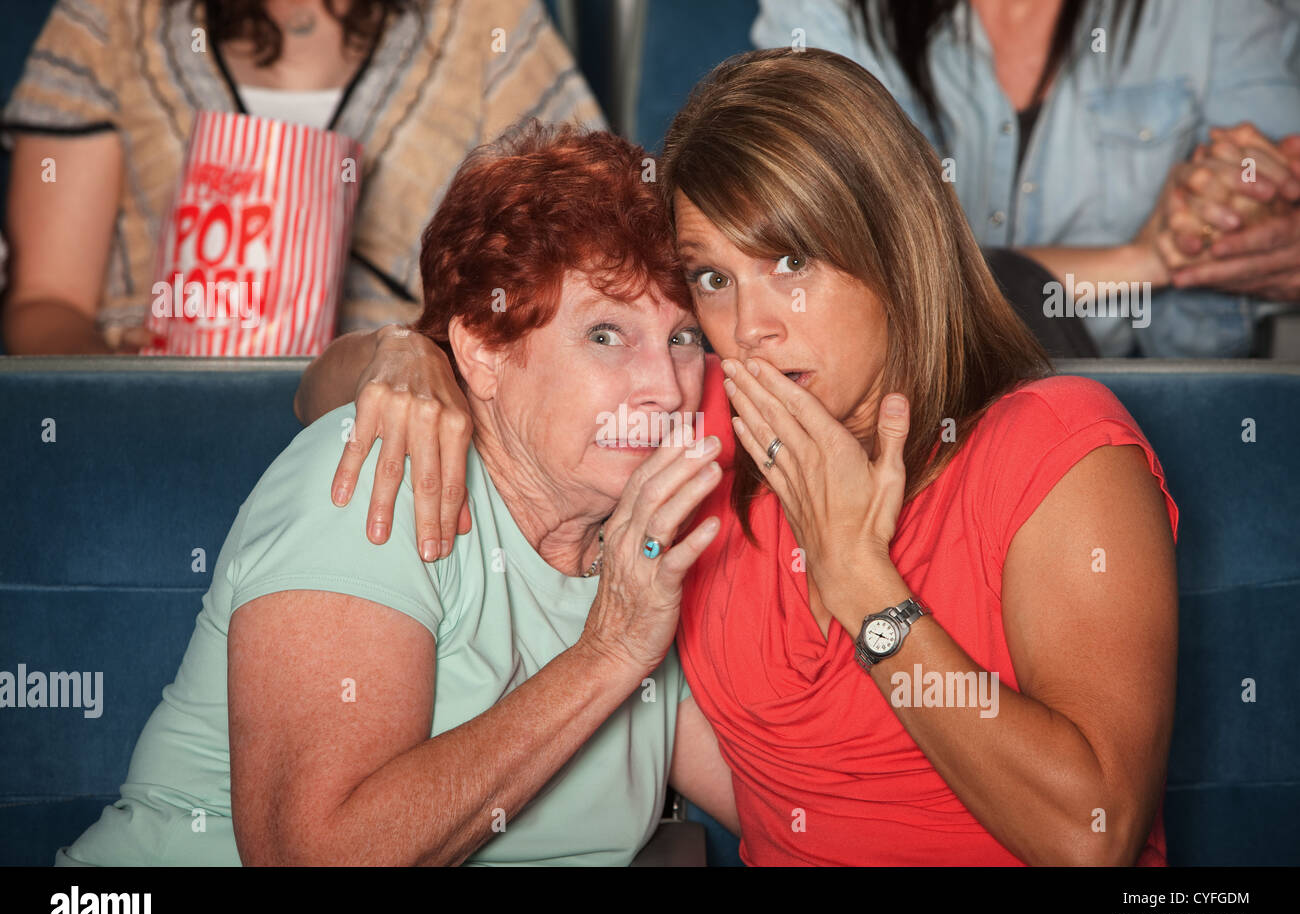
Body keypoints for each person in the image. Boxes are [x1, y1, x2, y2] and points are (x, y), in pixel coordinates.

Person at [299, 49, 1180, 865]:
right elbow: (318, 400)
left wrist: (862, 584)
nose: (750, 327)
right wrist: (407, 356)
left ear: (893, 242)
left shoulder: (1053, 447)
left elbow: (1090, 836)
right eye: (713, 278)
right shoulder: (695, 417)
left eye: (789, 259)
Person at [55, 122, 739, 866]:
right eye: (605, 334)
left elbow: (784, 804)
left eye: (682, 338)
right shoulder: (378, 473)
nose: (665, 387)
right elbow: (310, 858)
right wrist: (607, 653)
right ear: (482, 350)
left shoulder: (643, 538)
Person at [1, 0, 603, 354]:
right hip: (158, 419)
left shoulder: (483, 18)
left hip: (411, 410)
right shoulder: (110, 21)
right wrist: (133, 393)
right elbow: (47, 302)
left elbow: (589, 244)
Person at [750, 0, 1300, 357]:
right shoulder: (822, 11)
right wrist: (1145, 260)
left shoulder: (1220, 14)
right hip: (905, 422)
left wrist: (1245, 212)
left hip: (1154, 403)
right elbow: (841, 275)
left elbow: (1269, 201)